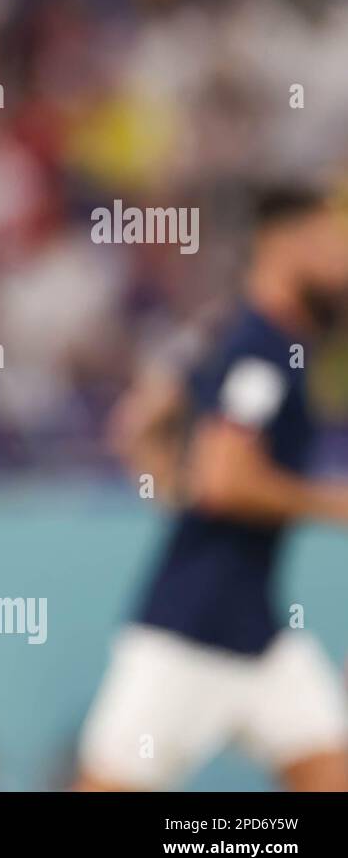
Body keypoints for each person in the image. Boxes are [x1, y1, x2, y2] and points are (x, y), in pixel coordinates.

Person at [77, 187, 348, 791]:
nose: (342, 261)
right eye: (330, 243)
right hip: (190, 631)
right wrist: (332, 502)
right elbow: (224, 481)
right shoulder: (264, 350)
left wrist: (178, 483)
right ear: (285, 245)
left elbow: (137, 424)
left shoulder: (227, 336)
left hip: (257, 630)